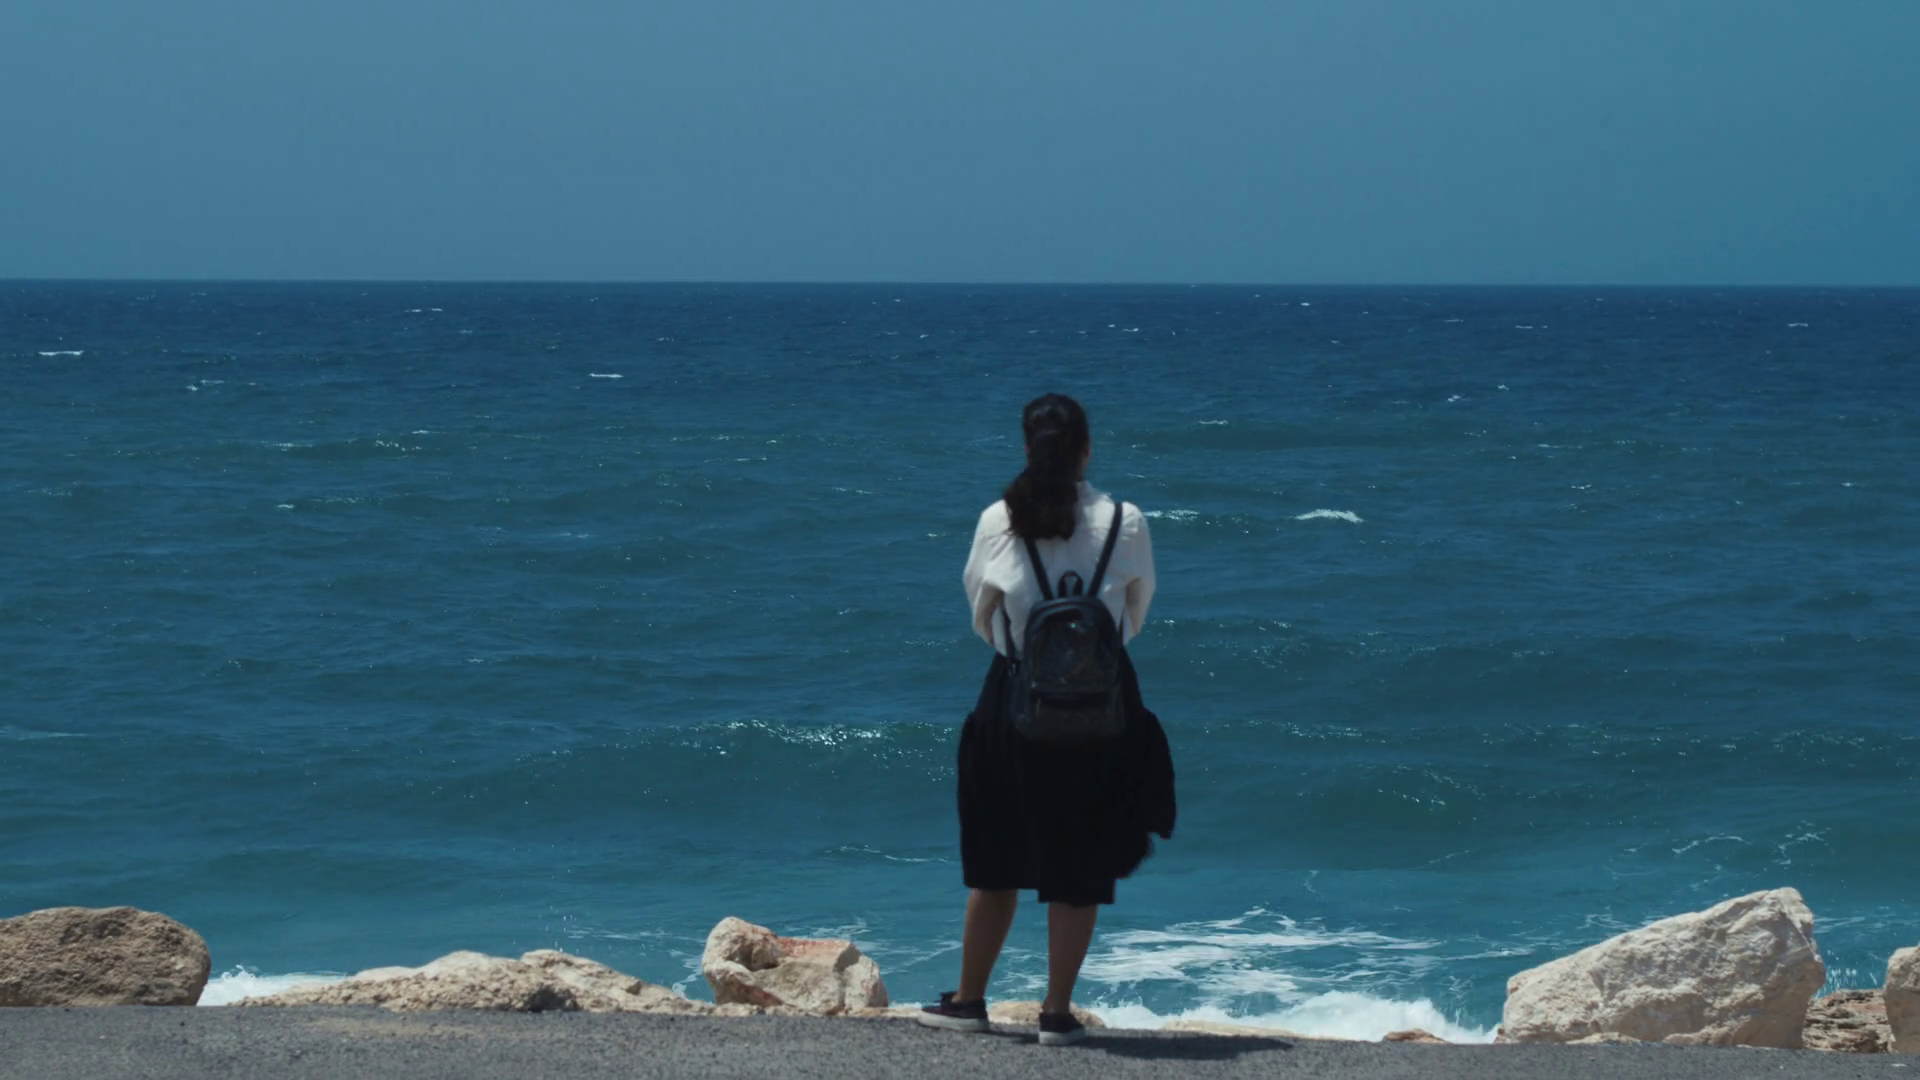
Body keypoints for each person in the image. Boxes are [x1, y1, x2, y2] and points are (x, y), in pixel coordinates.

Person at [917, 392, 1176, 1046]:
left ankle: (970, 1000)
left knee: (995, 859)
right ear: (1086, 449)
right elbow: (1135, 617)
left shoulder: (996, 522)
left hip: (1012, 704)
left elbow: (983, 615)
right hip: (1101, 711)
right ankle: (1057, 1014)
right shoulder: (1127, 521)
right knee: (1079, 863)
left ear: (1028, 448)